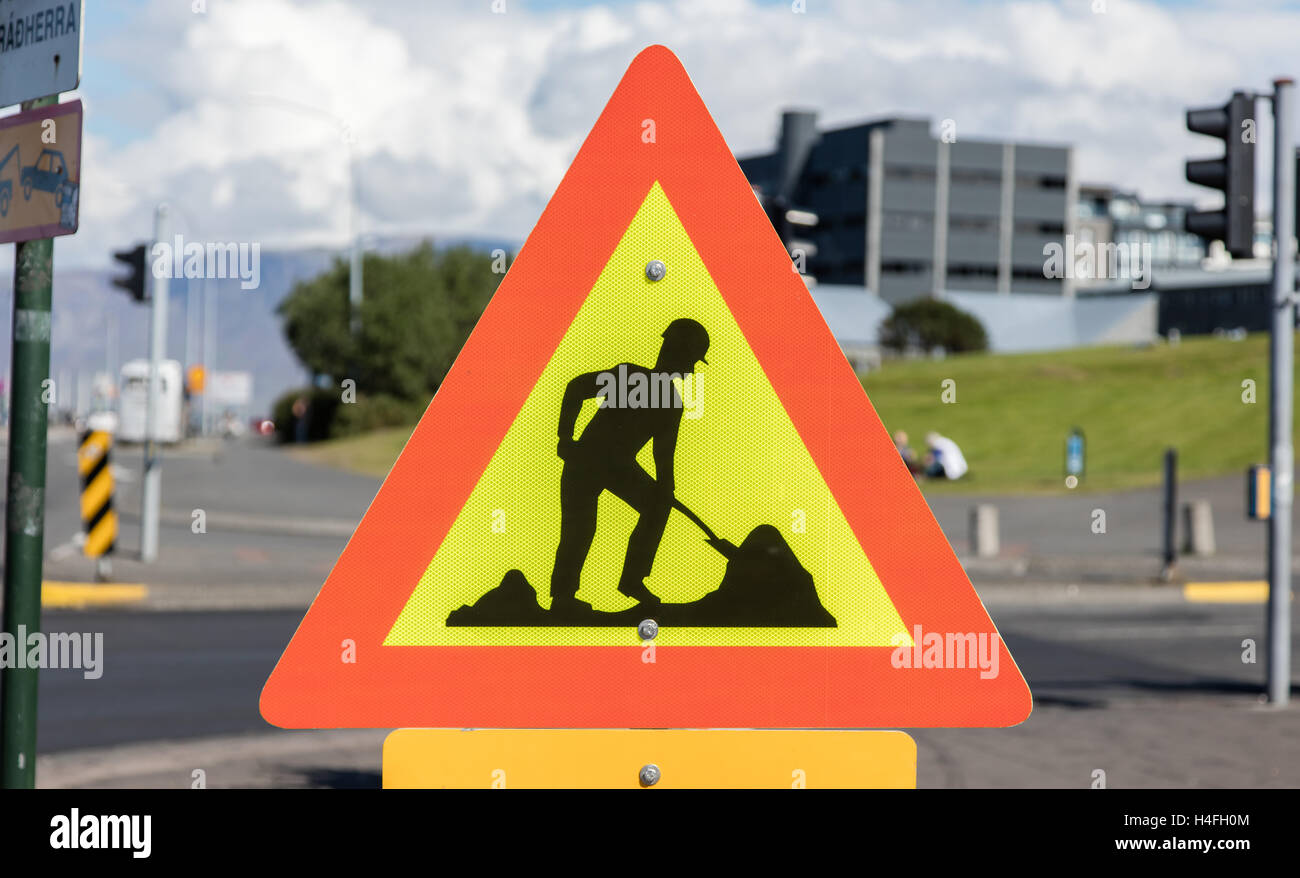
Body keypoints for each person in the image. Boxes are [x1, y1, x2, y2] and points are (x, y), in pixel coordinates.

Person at [549, 318, 710, 613]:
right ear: (678, 353)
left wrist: (666, 490)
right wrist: (564, 438)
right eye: (691, 361)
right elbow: (576, 388)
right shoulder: (629, 377)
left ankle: (632, 580)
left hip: (619, 468)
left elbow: (663, 455)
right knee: (580, 529)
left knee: (656, 507)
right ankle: (563, 597)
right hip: (584, 461)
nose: (691, 370)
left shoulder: (671, 403)